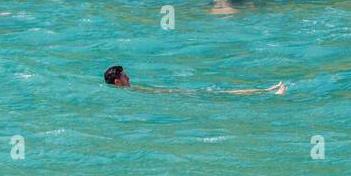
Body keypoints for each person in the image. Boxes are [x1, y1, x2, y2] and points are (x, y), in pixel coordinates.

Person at [103, 65, 285, 95]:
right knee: (221, 94)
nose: (129, 77)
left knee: (219, 93)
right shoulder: (131, 92)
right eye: (125, 76)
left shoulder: (130, 91)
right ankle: (266, 92)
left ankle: (265, 91)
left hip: (177, 95)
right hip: (179, 96)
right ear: (117, 82)